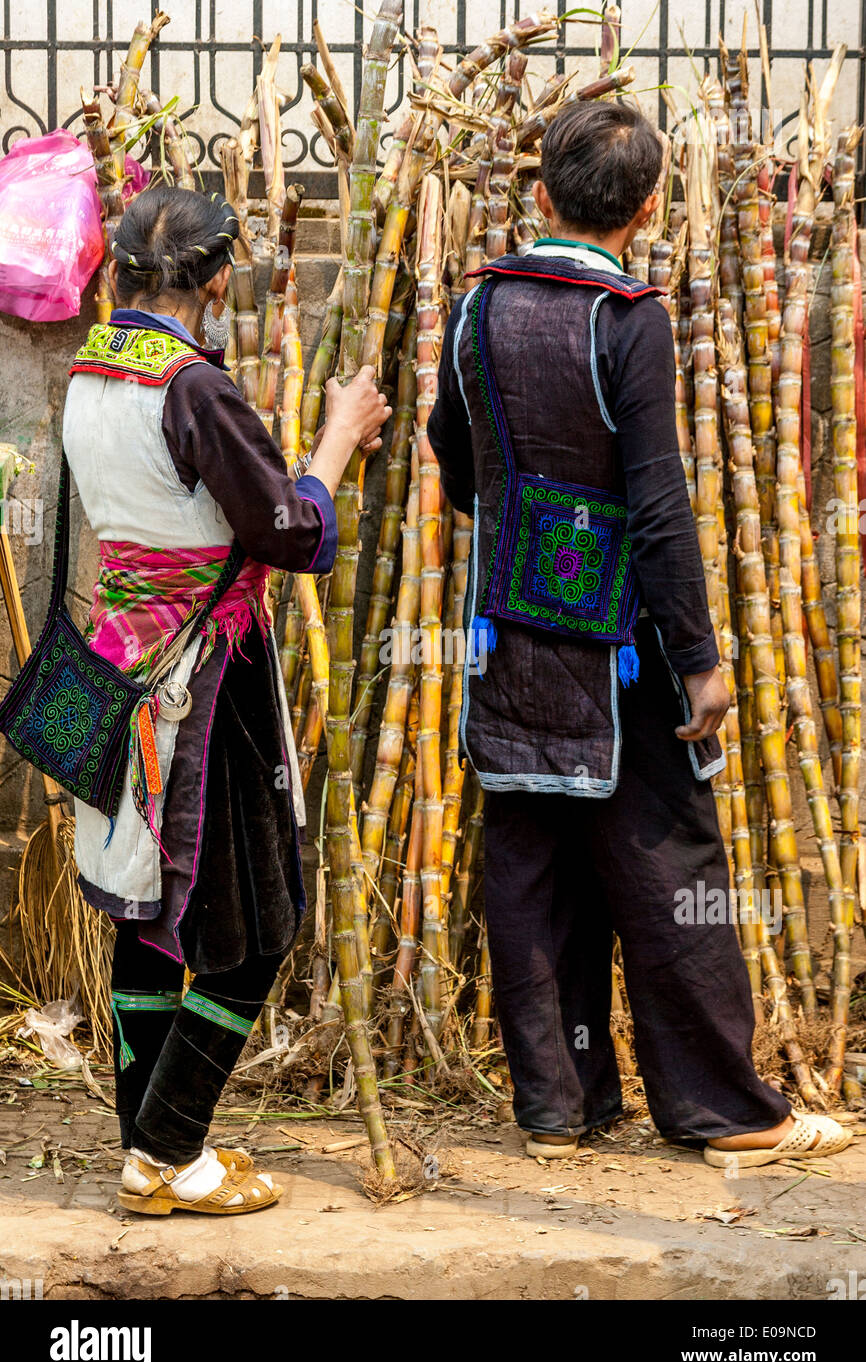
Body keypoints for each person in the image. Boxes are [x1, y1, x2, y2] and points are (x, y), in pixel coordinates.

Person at [427, 101, 850, 1169]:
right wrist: (699, 660)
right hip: (618, 646)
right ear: (649, 207)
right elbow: (657, 504)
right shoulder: (627, 315)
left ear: (539, 194)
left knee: (529, 858)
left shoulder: (478, 307)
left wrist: (527, 527)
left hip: (504, 629)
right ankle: (727, 1113)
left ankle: (554, 1108)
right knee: (672, 867)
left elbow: (451, 451)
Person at [62, 185, 391, 1215]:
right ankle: (171, 1149)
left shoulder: (88, 369)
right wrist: (338, 437)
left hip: (117, 661)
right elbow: (288, 532)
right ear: (215, 282)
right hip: (206, 684)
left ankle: (146, 1153)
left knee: (143, 906)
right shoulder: (193, 388)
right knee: (258, 927)